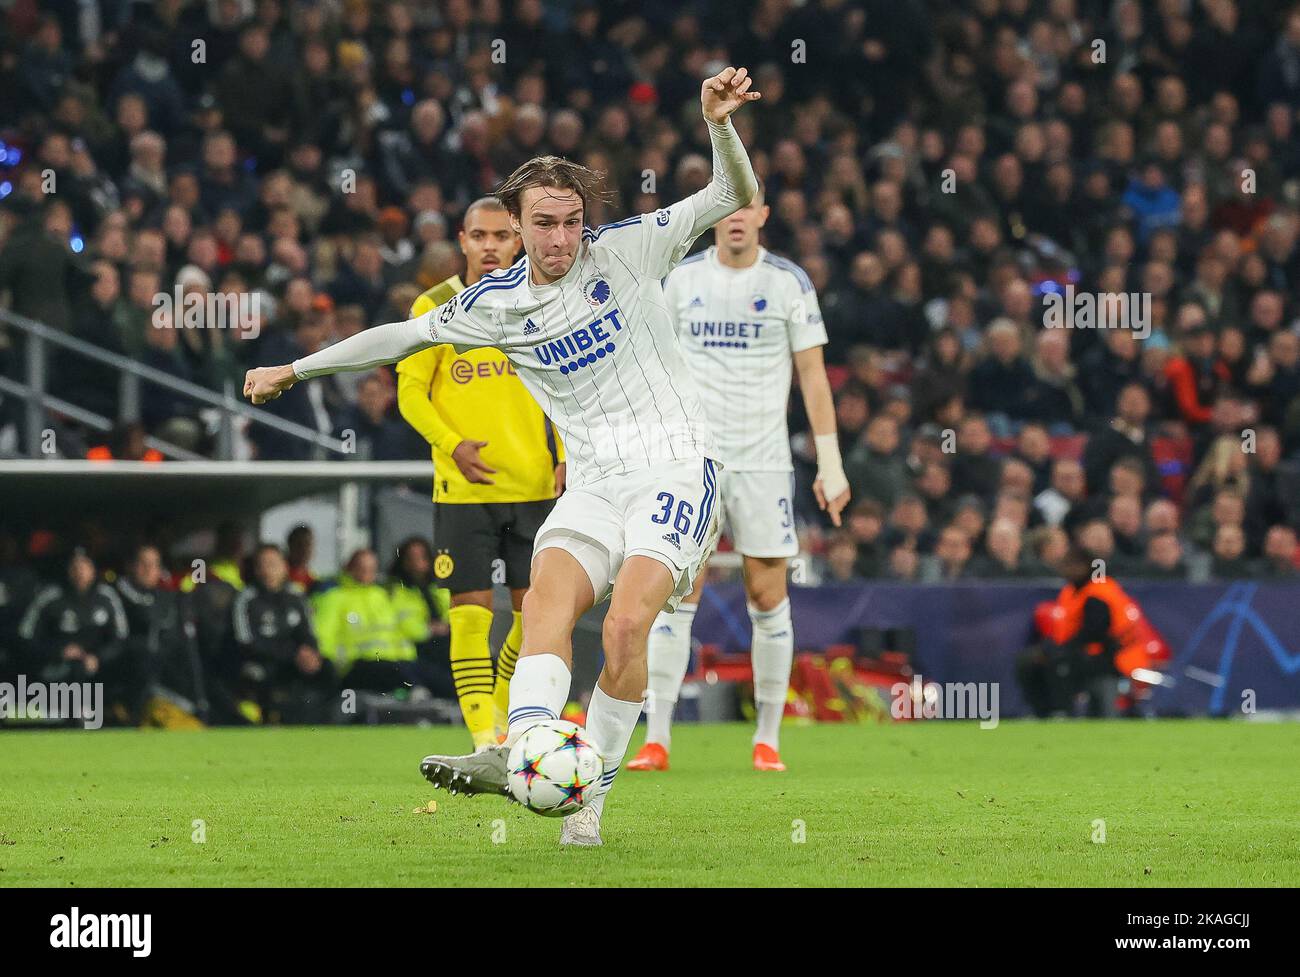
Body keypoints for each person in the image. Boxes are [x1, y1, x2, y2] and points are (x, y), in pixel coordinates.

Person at [243, 67, 774, 846]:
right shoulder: (494, 303)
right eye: (544, 224)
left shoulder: (630, 250)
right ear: (517, 226)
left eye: (570, 221)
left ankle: (586, 795)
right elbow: (400, 337)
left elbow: (732, 195)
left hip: (675, 468)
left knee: (626, 628)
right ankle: (522, 749)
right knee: (545, 612)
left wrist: (718, 125)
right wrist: (298, 366)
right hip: (593, 485)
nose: (561, 238)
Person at [626, 179, 849, 774]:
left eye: (749, 207)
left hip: (764, 462)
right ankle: (659, 738)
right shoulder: (682, 279)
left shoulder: (787, 284)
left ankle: (768, 738)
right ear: (717, 214)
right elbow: (649, 364)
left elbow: (814, 378)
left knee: (766, 595)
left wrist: (830, 465)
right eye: (730, 207)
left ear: (763, 215)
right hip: (692, 460)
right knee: (678, 594)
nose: (737, 218)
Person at [395, 197, 564, 751]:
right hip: (463, 490)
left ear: (517, 240)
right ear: (462, 242)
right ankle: (483, 739)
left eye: (500, 235)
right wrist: (451, 444)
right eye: (478, 236)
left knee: (534, 613)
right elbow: (410, 393)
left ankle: (499, 706)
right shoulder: (435, 305)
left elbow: (566, 385)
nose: (490, 246)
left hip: (536, 484)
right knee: (470, 615)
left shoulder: (540, 301)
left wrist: (565, 455)